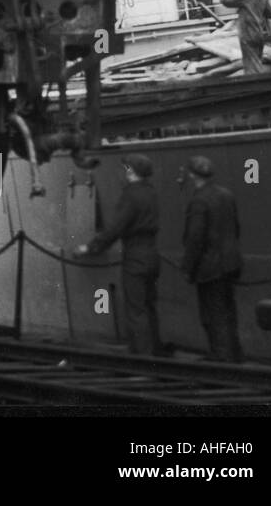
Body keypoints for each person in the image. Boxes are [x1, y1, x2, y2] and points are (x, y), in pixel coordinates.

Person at [74, 154, 161, 356]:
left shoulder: (131, 195)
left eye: (125, 168)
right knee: (149, 306)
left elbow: (115, 228)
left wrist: (90, 247)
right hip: (152, 255)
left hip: (135, 256)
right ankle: (156, 353)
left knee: (136, 309)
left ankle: (143, 358)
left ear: (131, 171)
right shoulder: (151, 192)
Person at [181, 156, 243, 362]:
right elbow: (236, 228)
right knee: (228, 310)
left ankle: (222, 357)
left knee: (212, 313)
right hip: (231, 263)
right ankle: (234, 354)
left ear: (192, 175)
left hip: (210, 266)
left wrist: (188, 268)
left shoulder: (199, 200)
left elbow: (195, 238)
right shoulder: (227, 194)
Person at [218, 0, 271, 74]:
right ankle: (260, 81)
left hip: (247, 35)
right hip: (259, 34)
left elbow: (228, 1)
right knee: (258, 61)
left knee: (249, 64)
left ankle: (254, 85)